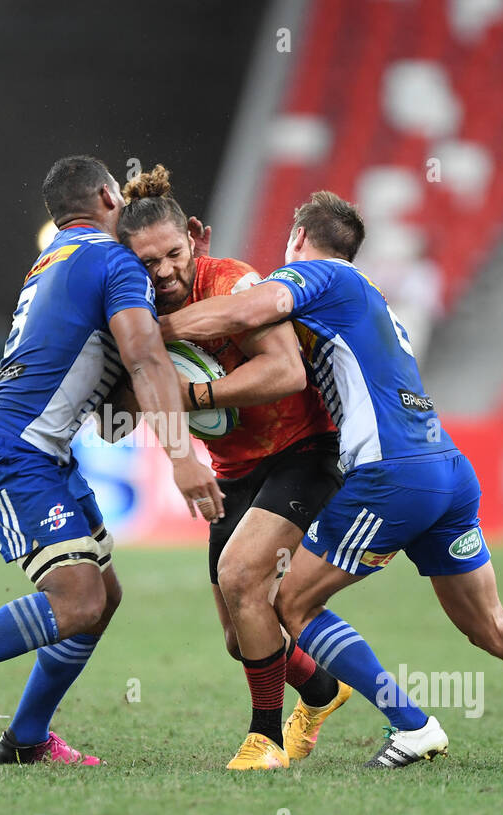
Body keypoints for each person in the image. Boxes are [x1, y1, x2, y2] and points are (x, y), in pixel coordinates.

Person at [161, 190, 503, 769]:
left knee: (289, 602)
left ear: (299, 237)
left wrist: (156, 330)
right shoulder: (371, 298)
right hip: (446, 469)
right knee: (493, 629)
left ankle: (412, 724)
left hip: (390, 475)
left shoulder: (322, 276)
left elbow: (248, 309)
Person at [0, 155, 223, 765]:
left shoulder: (53, 261)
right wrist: (181, 456)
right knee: (78, 600)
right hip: (13, 452)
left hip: (40, 452)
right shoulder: (115, 261)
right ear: (110, 199)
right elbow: (144, 360)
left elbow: (102, 382)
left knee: (101, 598)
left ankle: (26, 738)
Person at [116, 165, 360, 770]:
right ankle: (325, 691)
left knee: (245, 578)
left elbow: (285, 372)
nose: (164, 271)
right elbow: (134, 395)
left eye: (173, 253)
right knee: (239, 635)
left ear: (195, 235)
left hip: (304, 451)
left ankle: (265, 740)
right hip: (234, 471)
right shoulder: (131, 307)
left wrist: (191, 397)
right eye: (146, 262)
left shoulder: (232, 282)